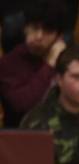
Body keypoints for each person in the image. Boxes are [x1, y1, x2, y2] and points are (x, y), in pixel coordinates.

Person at [0, 0, 66, 128]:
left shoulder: (69, 61)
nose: (39, 36)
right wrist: (49, 64)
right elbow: (24, 105)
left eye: (47, 30)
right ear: (25, 29)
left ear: (59, 36)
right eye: (34, 28)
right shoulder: (9, 63)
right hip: (22, 133)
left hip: (63, 132)